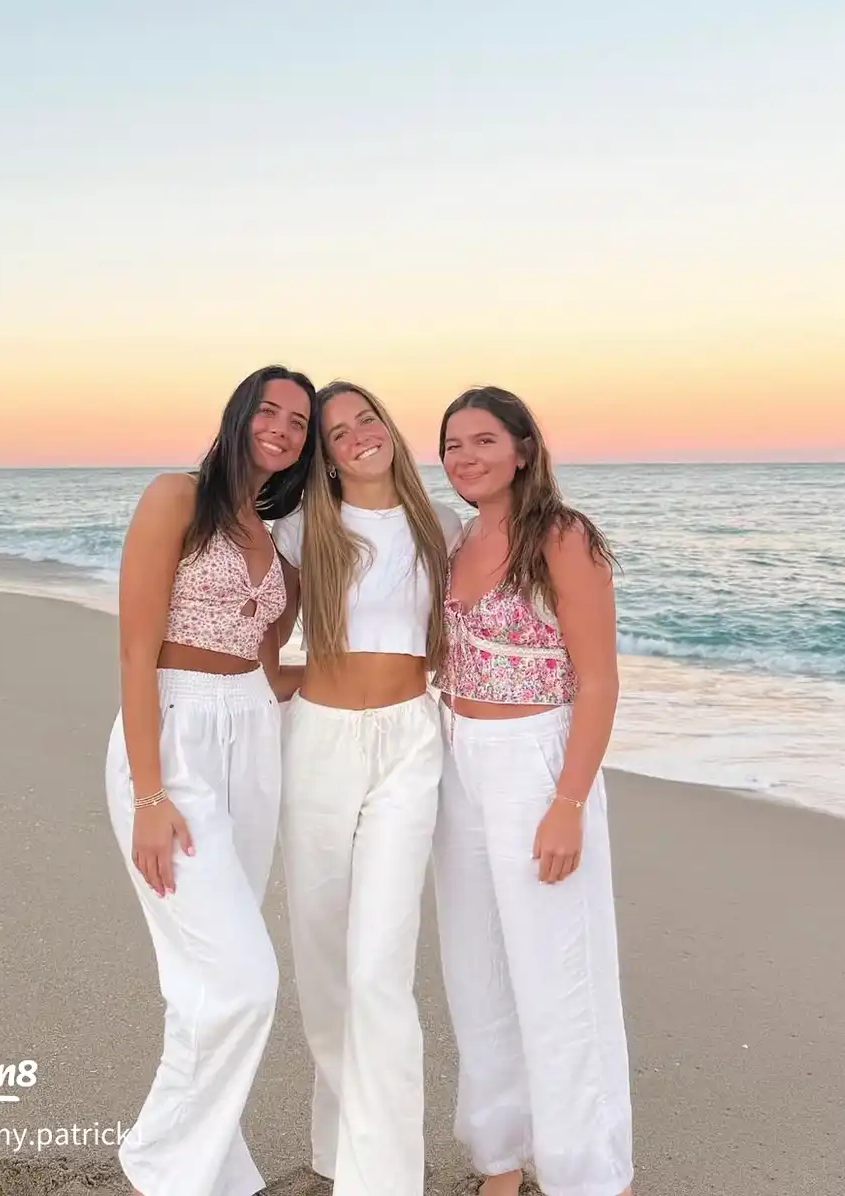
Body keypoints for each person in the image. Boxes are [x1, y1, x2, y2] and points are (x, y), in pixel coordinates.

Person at [105, 365, 316, 1196]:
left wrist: (381, 684)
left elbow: (269, 670)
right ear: (239, 415)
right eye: (270, 410)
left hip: (252, 736)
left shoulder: (277, 543)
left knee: (206, 980)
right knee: (244, 980)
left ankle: (217, 1172)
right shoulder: (176, 499)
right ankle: (159, 1161)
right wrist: (150, 795)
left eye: (299, 422)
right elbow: (136, 653)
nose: (283, 428)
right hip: (175, 732)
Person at [433, 386, 633, 1196]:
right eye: (453, 444)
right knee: (475, 965)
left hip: (537, 760)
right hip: (457, 757)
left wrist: (568, 803)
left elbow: (599, 680)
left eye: (484, 440)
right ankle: (501, 1155)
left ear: (522, 450)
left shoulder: (562, 536)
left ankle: (590, 1172)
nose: (466, 457)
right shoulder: (456, 540)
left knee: (559, 972)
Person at [269, 380, 463, 1196]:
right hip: (319, 744)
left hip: (411, 743)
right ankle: (335, 1146)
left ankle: (384, 1176)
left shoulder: (439, 525)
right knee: (323, 960)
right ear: (325, 455)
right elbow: (262, 640)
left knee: (381, 964)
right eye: (337, 432)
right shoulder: (300, 528)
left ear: (388, 425)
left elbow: (461, 637)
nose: (357, 437)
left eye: (366, 420)